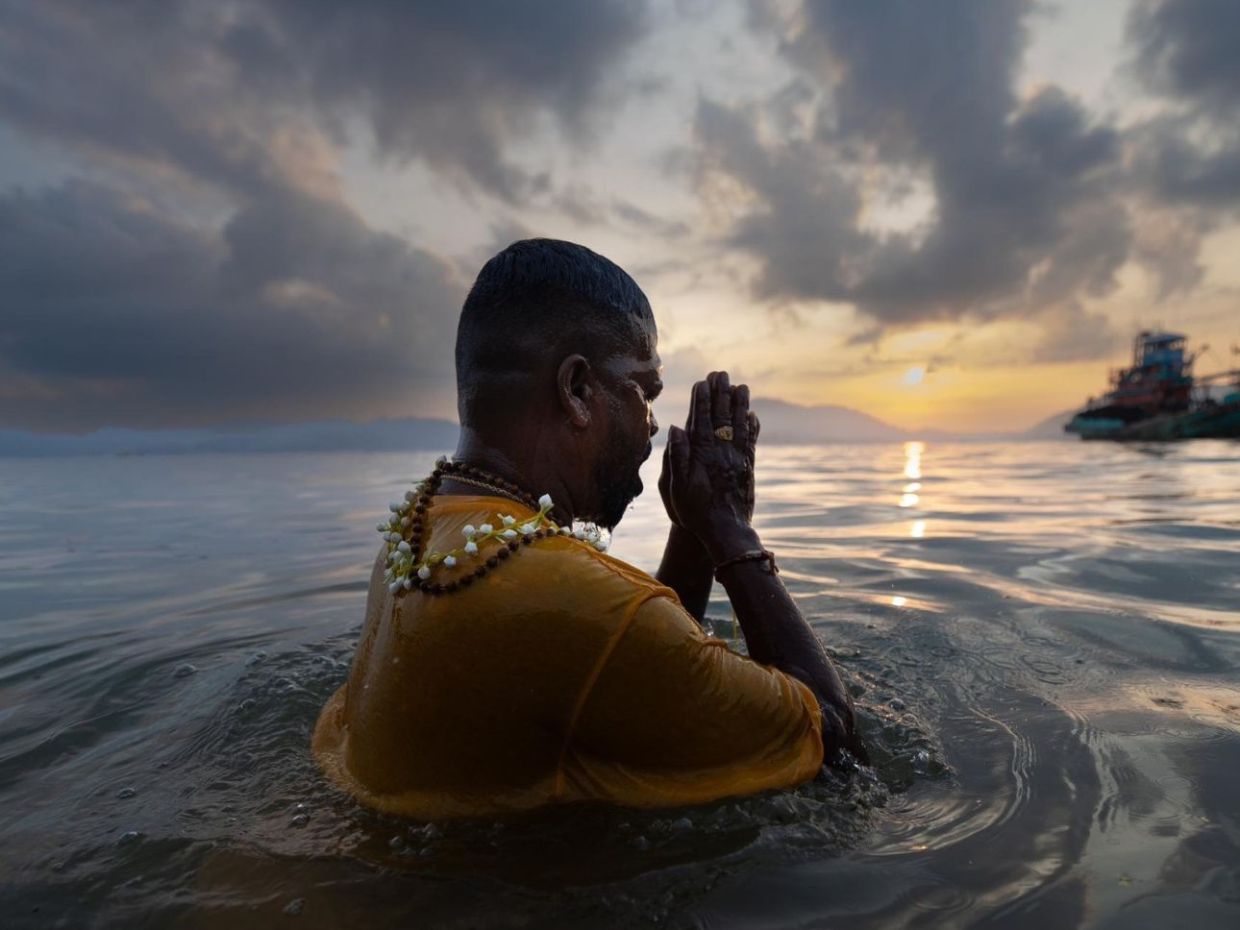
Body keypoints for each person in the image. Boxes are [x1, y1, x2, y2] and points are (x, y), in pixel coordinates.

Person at [313, 239, 864, 820]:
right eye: (645, 392)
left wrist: (693, 530)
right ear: (576, 390)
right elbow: (835, 747)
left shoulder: (417, 536)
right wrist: (731, 530)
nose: (652, 425)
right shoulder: (569, 601)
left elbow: (636, 669)